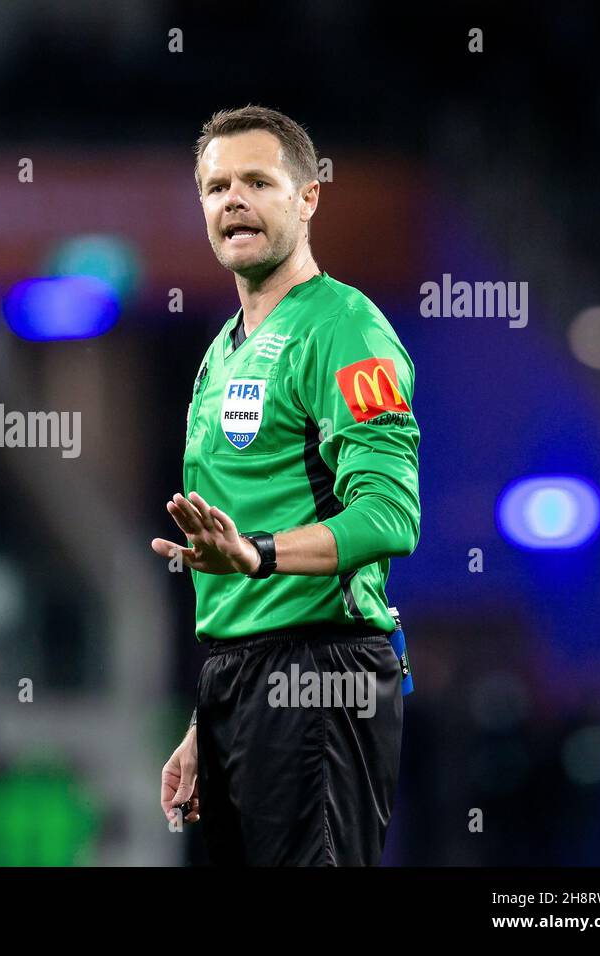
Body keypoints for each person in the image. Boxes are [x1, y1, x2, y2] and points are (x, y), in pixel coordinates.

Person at [153, 107, 421, 865]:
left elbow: (390, 514)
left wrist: (260, 553)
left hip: (324, 676)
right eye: (216, 186)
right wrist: (211, 721)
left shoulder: (345, 330)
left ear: (307, 199)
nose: (232, 200)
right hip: (240, 682)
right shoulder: (219, 354)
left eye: (257, 182)